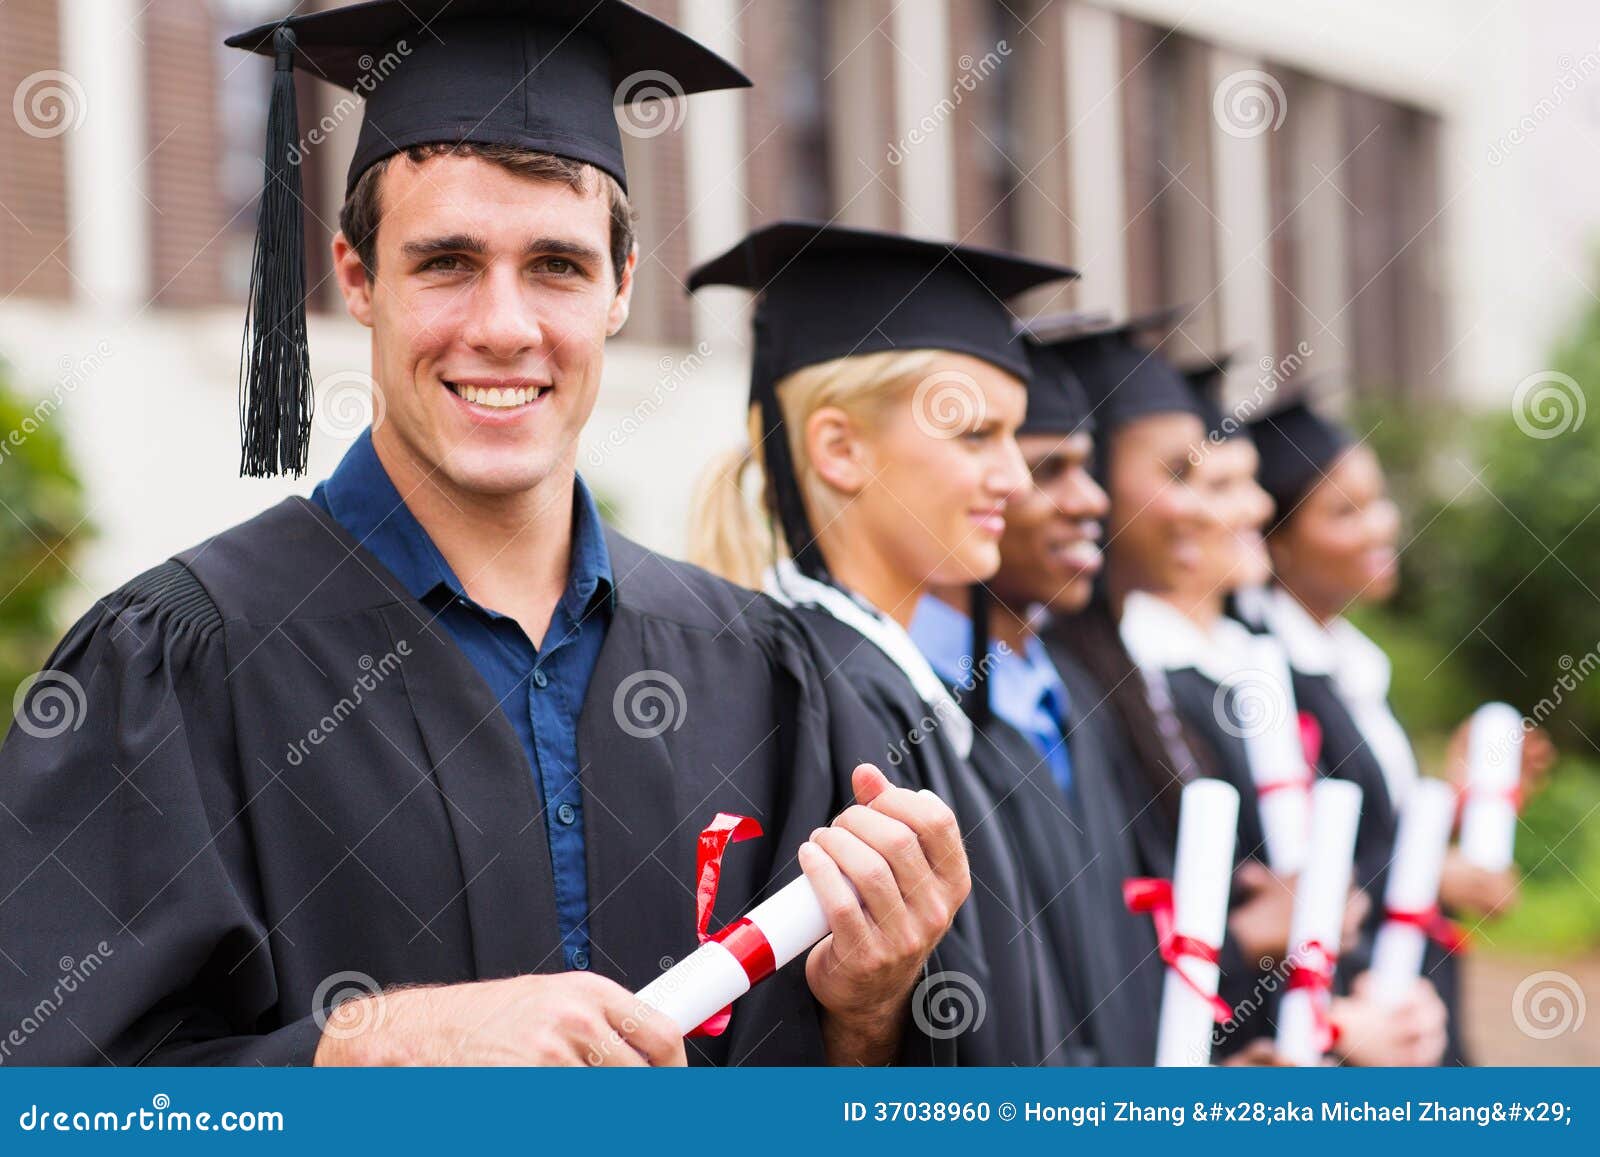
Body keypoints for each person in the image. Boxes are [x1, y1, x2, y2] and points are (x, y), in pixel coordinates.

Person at [0, 2, 969, 1068]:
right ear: (358, 278)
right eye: (447, 262)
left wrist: (866, 1011)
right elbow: (50, 1100)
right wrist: (365, 1042)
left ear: (619, 288)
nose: (504, 326)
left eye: (556, 264)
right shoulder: (180, 663)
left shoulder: (757, 670)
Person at [686, 221, 1081, 1064]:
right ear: (839, 447)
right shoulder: (815, 694)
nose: (1016, 477)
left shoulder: (907, 687)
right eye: (977, 434)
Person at [1240, 395, 1556, 1064]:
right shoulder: (1262, 682)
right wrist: (1433, 873)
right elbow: (1289, 867)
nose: (1383, 524)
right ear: (1276, 540)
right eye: (1344, 511)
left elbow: (1370, 831)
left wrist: (1455, 800)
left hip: (1409, 1005)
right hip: (1344, 1021)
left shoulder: (1346, 661)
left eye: (1378, 500)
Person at [909, 329, 1166, 1065]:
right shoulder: (912, 705)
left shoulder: (1076, 692)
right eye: (1048, 469)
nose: (1090, 501)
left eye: (1088, 468)